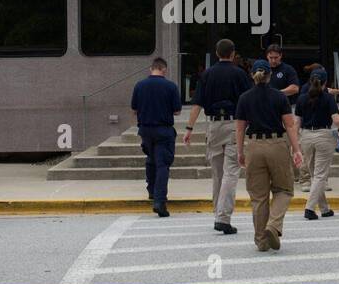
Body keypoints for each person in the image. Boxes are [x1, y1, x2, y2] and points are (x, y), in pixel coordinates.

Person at [183, 38, 252, 235]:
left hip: (213, 126)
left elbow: (197, 103)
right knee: (231, 171)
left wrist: (189, 128)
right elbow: (248, 100)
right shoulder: (240, 74)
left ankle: (217, 213)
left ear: (216, 53)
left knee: (217, 173)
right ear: (232, 54)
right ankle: (223, 217)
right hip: (233, 125)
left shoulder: (206, 74)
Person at [236, 58, 303, 252]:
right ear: (270, 75)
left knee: (258, 196)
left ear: (252, 75)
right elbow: (289, 125)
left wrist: (241, 152)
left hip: (254, 146)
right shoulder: (280, 97)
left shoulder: (244, 98)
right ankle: (273, 226)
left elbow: (240, 129)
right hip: (276, 145)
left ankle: (261, 240)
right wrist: (297, 150)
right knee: (284, 189)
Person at [130, 57, 181, 217]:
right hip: (163, 130)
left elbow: (134, 109)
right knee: (162, 165)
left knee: (151, 159)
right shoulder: (171, 86)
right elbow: (177, 111)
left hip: (145, 130)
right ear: (164, 70)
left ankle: (151, 190)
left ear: (151, 69)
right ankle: (159, 201)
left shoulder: (139, 85)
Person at [296, 67, 339, 220]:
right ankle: (310, 208)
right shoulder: (328, 98)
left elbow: (296, 123)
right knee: (320, 175)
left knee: (315, 175)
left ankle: (325, 209)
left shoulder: (301, 98)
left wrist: (296, 144)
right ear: (326, 82)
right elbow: (336, 120)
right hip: (324, 136)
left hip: (306, 136)